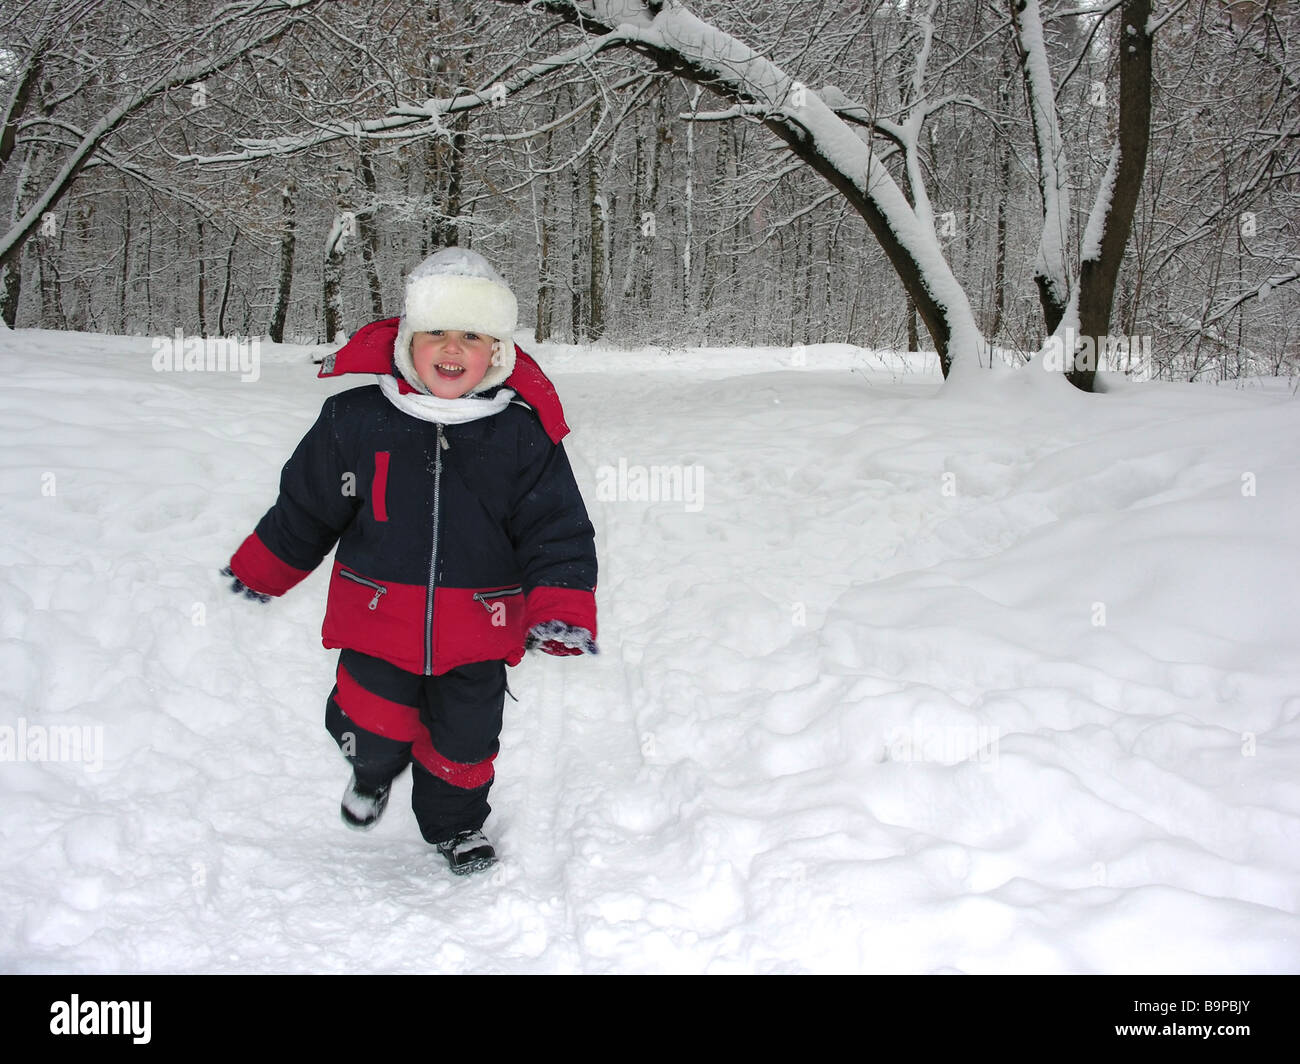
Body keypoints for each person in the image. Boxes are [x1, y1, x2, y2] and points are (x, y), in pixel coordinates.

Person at [221, 248, 598, 875]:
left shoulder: (520, 436)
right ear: (407, 341)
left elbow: (554, 529)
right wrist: (263, 568)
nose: (452, 348)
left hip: (480, 626)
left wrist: (560, 606)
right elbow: (310, 506)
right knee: (370, 723)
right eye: (436, 332)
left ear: (497, 351)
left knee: (466, 741)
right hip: (375, 615)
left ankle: (457, 826)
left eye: (472, 335)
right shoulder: (356, 420)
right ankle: (371, 771)